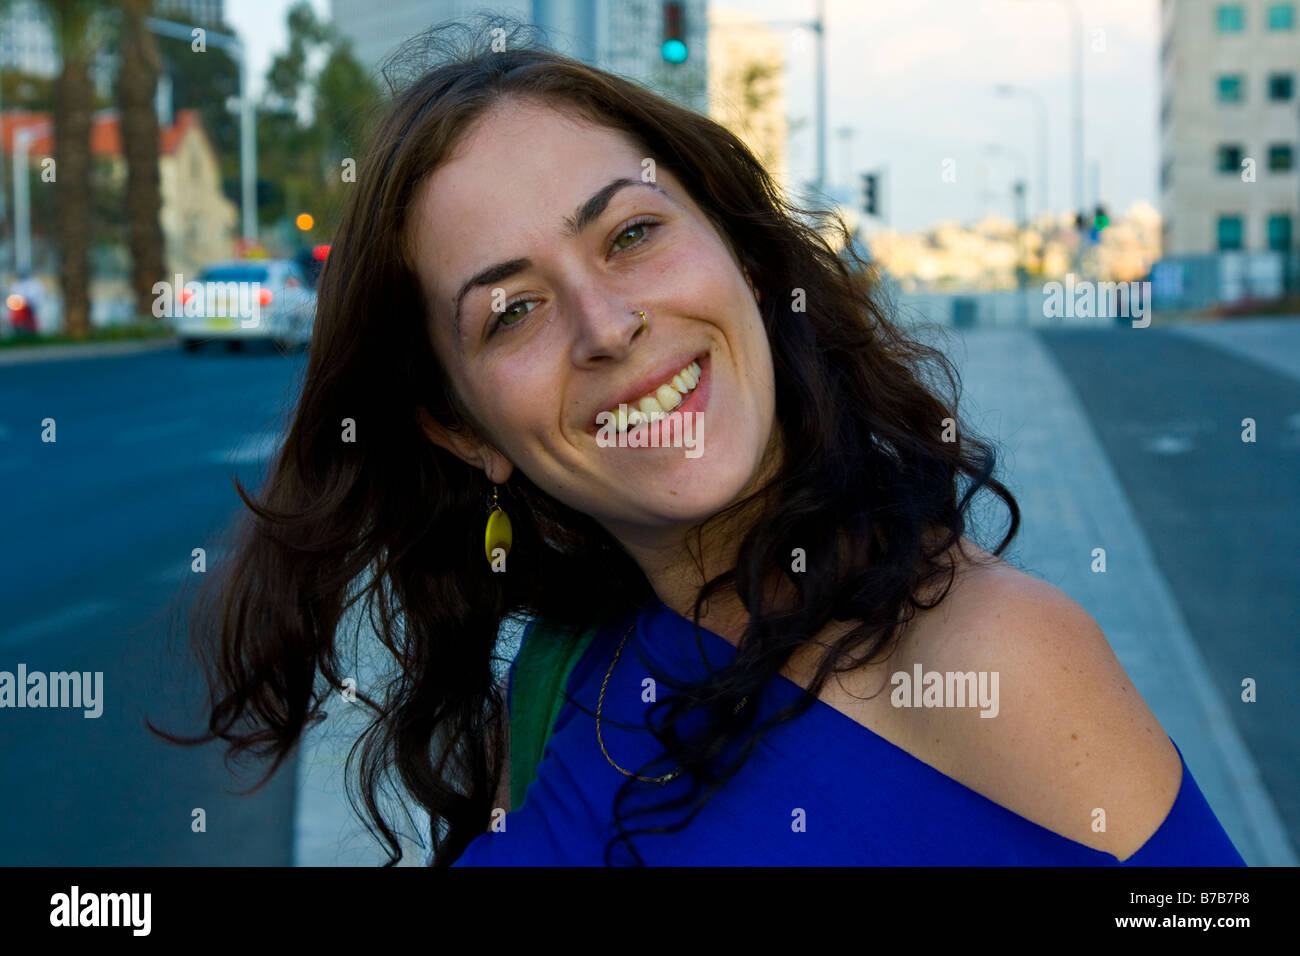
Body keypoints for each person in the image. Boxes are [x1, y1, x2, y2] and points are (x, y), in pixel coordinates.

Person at [161, 19, 1245, 867]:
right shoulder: (557, 676)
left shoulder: (995, 657)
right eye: (513, 311)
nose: (607, 324)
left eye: (631, 234)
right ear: (463, 429)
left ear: (741, 255)